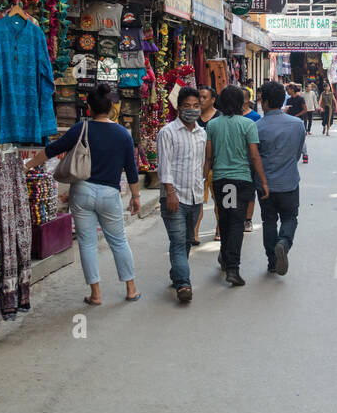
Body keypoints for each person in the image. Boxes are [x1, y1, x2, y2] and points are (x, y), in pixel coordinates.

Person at [27, 84, 140, 304]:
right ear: (111, 108)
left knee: (87, 243)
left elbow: (52, 150)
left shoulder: (81, 128)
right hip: (109, 193)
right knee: (118, 241)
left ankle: (96, 294)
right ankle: (131, 288)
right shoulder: (123, 134)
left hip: (82, 191)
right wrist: (136, 197)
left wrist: (26, 166)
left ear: (89, 108)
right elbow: (132, 170)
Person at [205, 85, 270, 286]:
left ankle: (225, 258)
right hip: (241, 180)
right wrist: (264, 181)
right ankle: (232, 268)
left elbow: (208, 157)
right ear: (242, 102)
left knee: (225, 219)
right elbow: (254, 155)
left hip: (221, 180)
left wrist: (201, 179)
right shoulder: (248, 125)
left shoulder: (213, 125)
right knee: (236, 222)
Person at [156, 87, 207, 304]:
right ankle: (184, 284)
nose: (192, 110)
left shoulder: (202, 133)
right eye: (187, 106)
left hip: (195, 196)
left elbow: (202, 163)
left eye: (196, 106)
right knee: (178, 242)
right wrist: (170, 193)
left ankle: (177, 273)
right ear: (178, 107)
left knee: (186, 241)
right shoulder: (167, 132)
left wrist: (202, 187)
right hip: (174, 196)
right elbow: (164, 166)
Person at [255, 81, 306, 276]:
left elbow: (254, 157)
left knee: (268, 221)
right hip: (289, 182)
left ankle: (272, 262)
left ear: (265, 102)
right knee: (290, 217)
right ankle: (283, 242)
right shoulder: (297, 124)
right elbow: (297, 153)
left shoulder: (257, 127)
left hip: (265, 184)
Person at [193, 86, 219, 245]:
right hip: (196, 167)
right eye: (199, 97)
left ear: (213, 100)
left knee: (219, 201)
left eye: (204, 97)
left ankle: (219, 229)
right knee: (197, 202)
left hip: (216, 167)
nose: (201, 100)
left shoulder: (219, 118)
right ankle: (194, 232)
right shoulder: (193, 118)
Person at [241, 90, 262, 231]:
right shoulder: (230, 116)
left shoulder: (255, 117)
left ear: (248, 100)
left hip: (250, 161)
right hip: (234, 161)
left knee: (250, 192)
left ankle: (248, 220)